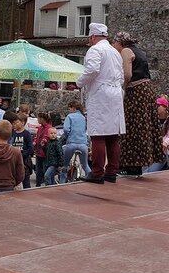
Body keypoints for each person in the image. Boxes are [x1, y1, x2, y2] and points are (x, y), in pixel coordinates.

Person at [76, 22, 126, 184]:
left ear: (93, 37)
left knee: (97, 134)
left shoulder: (95, 50)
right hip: (115, 93)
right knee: (112, 135)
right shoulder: (115, 52)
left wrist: (79, 82)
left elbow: (92, 70)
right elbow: (121, 76)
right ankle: (112, 171)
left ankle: (97, 172)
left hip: (100, 93)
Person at [112, 31, 157, 176]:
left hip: (136, 90)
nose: (113, 46)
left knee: (131, 126)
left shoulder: (126, 51)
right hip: (146, 90)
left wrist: (123, 87)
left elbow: (127, 74)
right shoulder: (140, 52)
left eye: (114, 43)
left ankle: (130, 164)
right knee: (142, 126)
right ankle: (138, 163)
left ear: (120, 43)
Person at [145, 97, 169, 172]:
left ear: (165, 107)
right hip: (151, 151)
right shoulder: (153, 118)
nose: (156, 107)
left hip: (164, 152)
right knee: (143, 170)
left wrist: (166, 142)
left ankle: (164, 165)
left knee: (150, 172)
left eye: (158, 105)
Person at [60, 100, 90, 182]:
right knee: (85, 165)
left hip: (71, 143)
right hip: (83, 144)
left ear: (73, 108)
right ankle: (90, 178)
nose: (69, 110)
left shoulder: (69, 116)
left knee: (65, 165)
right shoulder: (84, 117)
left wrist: (67, 136)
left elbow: (66, 129)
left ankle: (62, 183)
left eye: (69, 108)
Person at [9, 113, 34, 188]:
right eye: (13, 123)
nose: (14, 125)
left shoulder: (27, 134)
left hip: (24, 161)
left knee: (26, 181)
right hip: (14, 160)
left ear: (23, 123)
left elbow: (30, 148)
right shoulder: (12, 133)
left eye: (16, 122)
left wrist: (23, 155)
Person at [32, 112, 52, 187]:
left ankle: (47, 185)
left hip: (45, 153)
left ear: (42, 119)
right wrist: (34, 142)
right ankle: (38, 185)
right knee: (38, 171)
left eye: (38, 118)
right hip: (38, 152)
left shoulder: (49, 128)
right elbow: (37, 137)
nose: (37, 119)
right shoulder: (40, 128)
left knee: (45, 170)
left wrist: (44, 140)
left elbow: (47, 137)